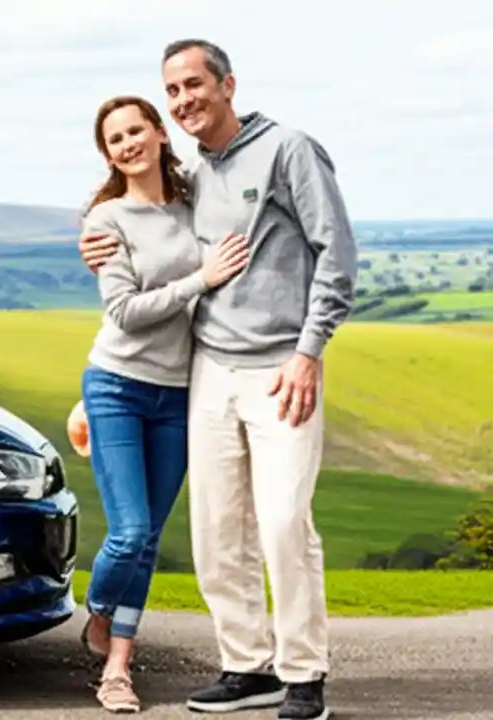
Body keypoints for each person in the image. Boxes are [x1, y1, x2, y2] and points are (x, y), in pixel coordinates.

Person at [77, 39, 357, 720]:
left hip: (280, 369)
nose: (183, 100)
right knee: (216, 531)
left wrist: (309, 351)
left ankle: (304, 675)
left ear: (228, 85)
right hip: (205, 373)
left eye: (193, 85)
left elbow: (336, 253)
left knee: (286, 522)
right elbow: (142, 265)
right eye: (171, 91)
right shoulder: (193, 177)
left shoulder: (290, 149)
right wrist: (85, 394)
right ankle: (246, 665)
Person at [75, 94, 249, 714]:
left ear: (157, 133)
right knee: (129, 532)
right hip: (117, 385)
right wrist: (201, 280)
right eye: (113, 139)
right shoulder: (106, 222)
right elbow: (124, 313)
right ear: (109, 154)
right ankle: (97, 611)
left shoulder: (195, 202)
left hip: (177, 395)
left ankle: (117, 669)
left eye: (134, 130)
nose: (126, 144)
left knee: (148, 541)